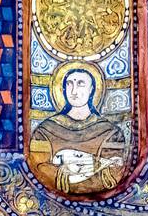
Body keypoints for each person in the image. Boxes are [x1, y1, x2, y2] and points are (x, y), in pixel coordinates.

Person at [27, 65, 127, 195]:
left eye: (80, 84)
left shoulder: (110, 132)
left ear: (92, 90)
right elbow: (39, 167)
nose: (74, 91)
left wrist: (71, 176)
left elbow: (114, 172)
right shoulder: (45, 131)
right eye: (69, 84)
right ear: (62, 89)